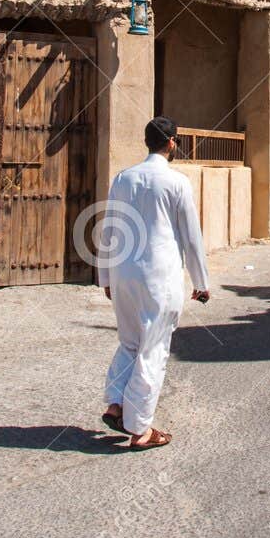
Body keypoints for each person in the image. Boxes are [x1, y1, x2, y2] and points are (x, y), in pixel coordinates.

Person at [98, 116, 211, 450]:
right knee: (154, 349)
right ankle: (141, 429)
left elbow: (109, 230)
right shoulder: (176, 183)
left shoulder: (123, 178)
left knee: (130, 342)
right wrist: (201, 281)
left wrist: (105, 277)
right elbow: (192, 238)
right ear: (172, 143)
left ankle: (116, 403)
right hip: (158, 279)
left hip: (123, 275)